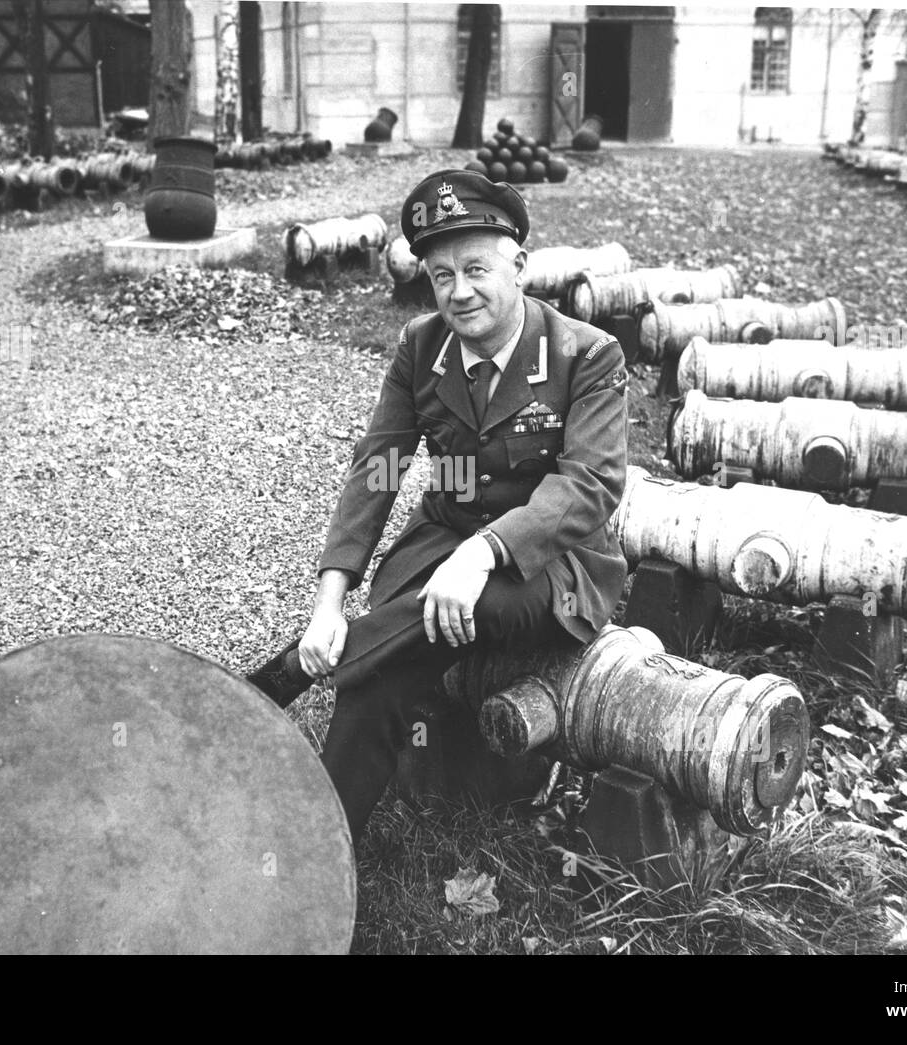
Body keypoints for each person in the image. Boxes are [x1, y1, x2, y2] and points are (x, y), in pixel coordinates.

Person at [248, 168, 629, 844]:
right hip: (443, 542)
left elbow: (589, 484)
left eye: (476, 268)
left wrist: (483, 553)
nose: (459, 292)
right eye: (440, 274)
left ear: (520, 264)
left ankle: (279, 686)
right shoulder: (421, 346)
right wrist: (328, 604)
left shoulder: (586, 354)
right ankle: (318, 855)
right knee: (391, 665)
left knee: (455, 610)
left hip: (551, 568)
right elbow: (379, 467)